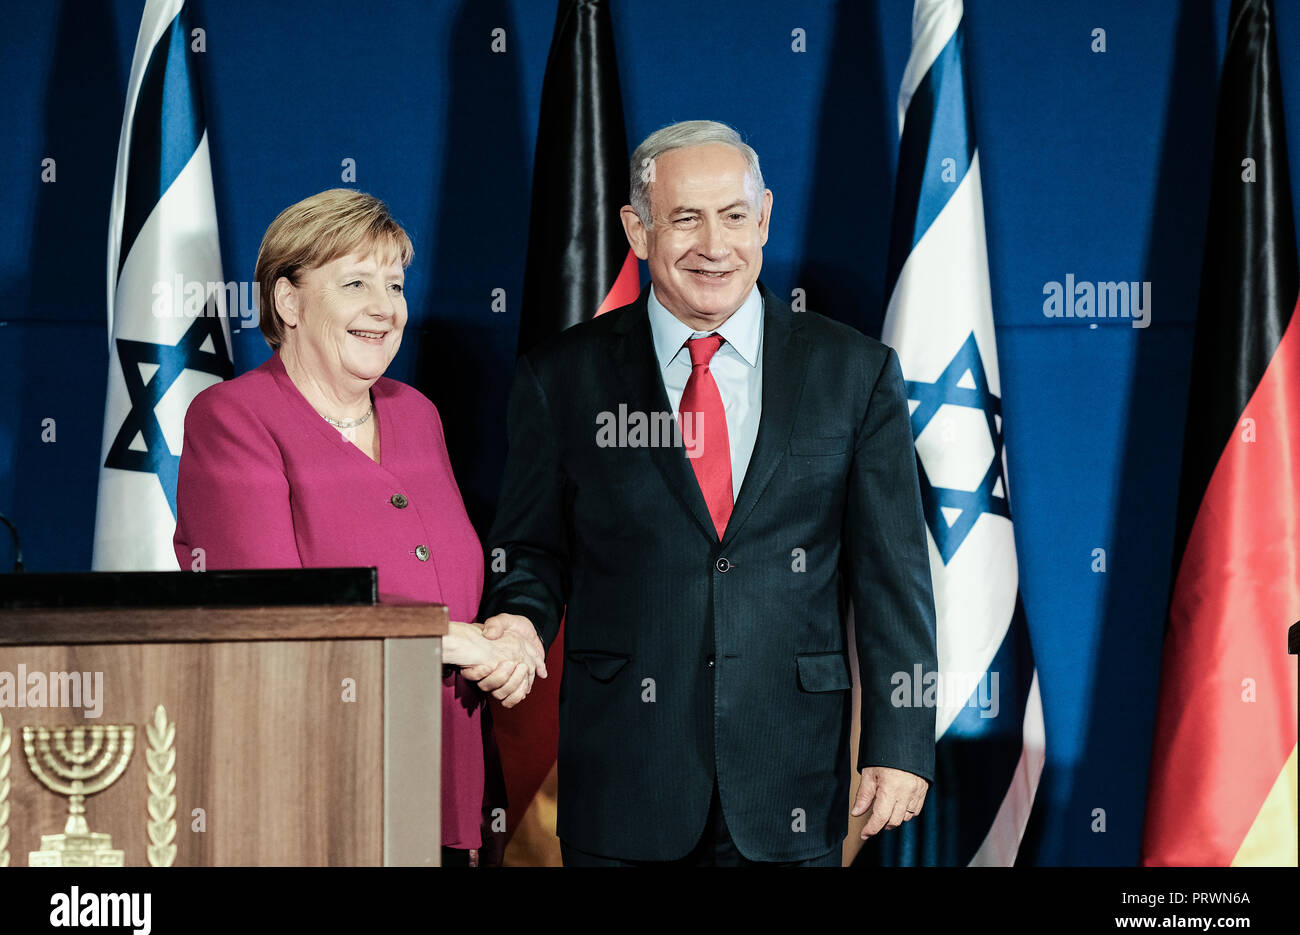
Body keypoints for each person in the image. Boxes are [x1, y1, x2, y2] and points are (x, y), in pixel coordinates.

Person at [478, 121, 938, 866]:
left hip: (791, 778)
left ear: (763, 218)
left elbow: (894, 579)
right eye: (685, 217)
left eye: (732, 215)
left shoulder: (854, 373)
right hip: (625, 777)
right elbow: (529, 549)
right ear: (637, 229)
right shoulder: (562, 377)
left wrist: (903, 741)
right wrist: (516, 620)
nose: (713, 245)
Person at [173, 189, 545, 865]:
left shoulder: (415, 413)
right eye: (355, 283)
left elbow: (450, 577)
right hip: (311, 775)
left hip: (439, 768)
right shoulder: (232, 419)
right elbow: (269, 608)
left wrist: (504, 633)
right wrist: (453, 640)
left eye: (395, 284)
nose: (386, 306)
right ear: (288, 302)